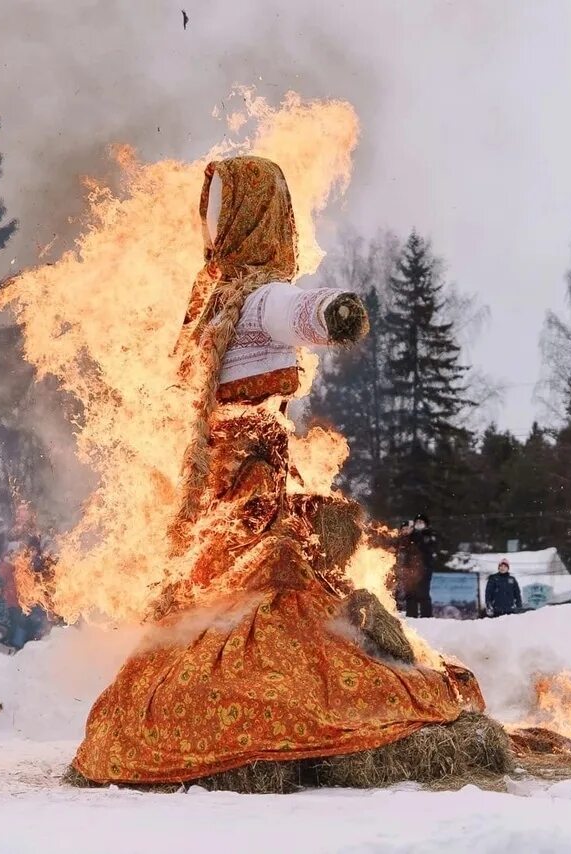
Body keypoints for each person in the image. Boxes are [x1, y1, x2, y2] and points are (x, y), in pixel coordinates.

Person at [70, 156, 476, 788]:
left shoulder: (259, 299)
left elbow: (303, 311)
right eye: (208, 207)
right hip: (217, 483)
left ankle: (290, 730)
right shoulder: (213, 302)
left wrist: (337, 313)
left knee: (263, 595)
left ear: (251, 215)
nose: (208, 222)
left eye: (221, 207)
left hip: (253, 481)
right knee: (209, 600)